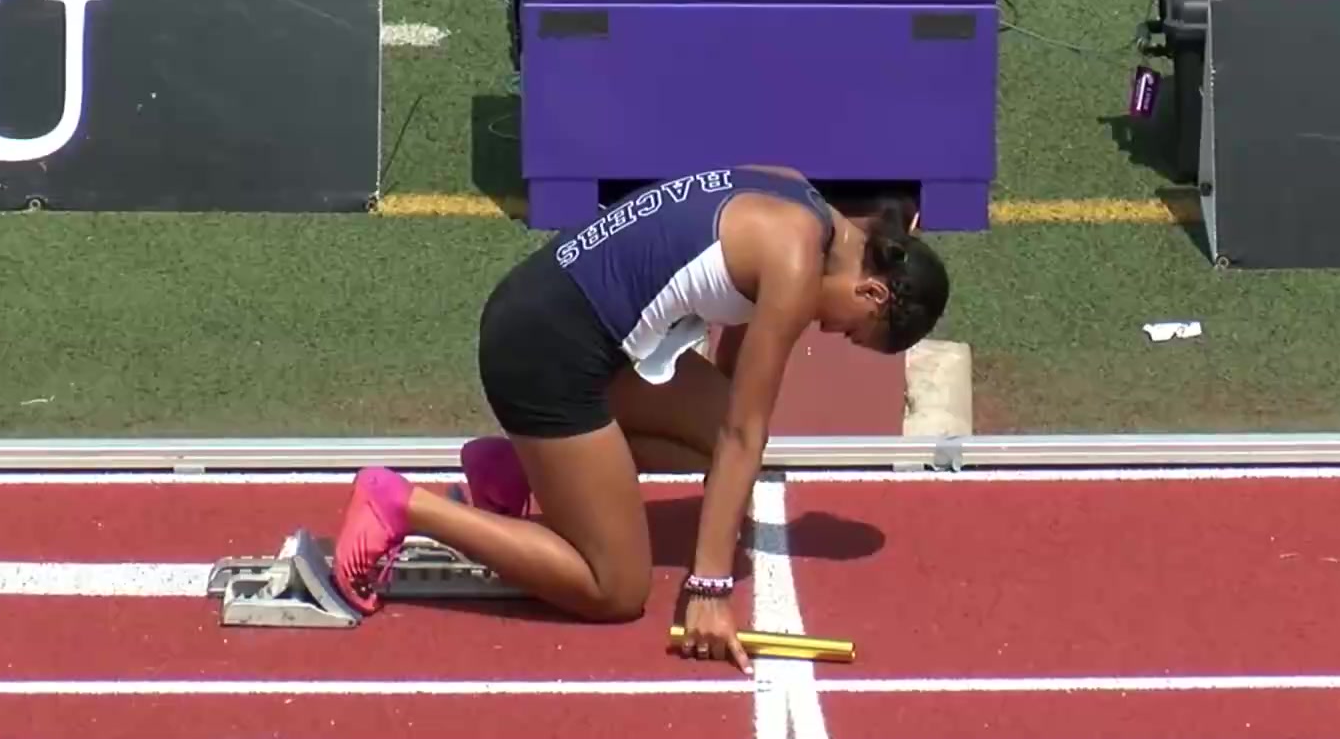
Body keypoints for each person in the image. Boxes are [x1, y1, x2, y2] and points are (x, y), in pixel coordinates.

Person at [329, 165, 949, 673]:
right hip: (544, 351)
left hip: (564, 316)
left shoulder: (801, 203)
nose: (830, 330)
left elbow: (730, 398)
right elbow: (744, 429)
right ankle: (403, 505)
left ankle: (520, 467)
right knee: (615, 590)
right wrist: (709, 588)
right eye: (853, 331)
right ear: (873, 294)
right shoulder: (795, 265)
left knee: (721, 453)